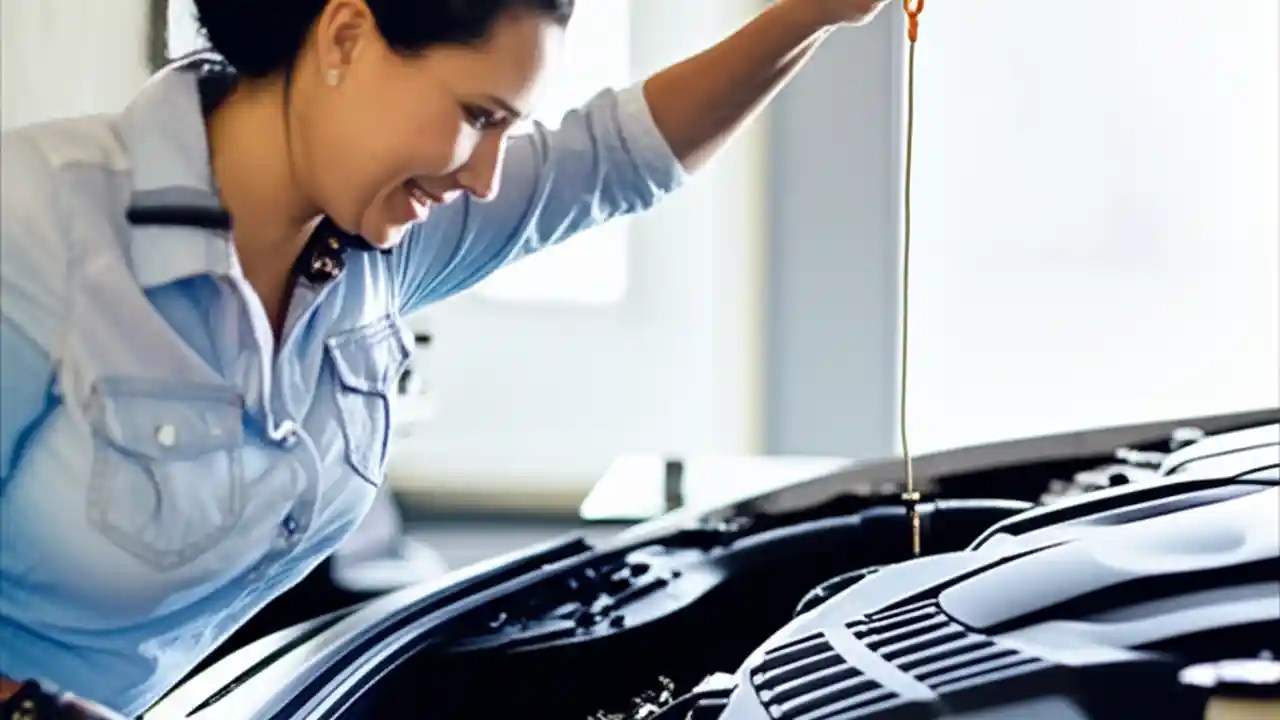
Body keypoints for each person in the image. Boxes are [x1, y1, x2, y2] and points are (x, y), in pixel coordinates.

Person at [0, 0, 890, 713]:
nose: (486, 177)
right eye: (477, 117)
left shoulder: (378, 247)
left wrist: (807, 15)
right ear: (346, 34)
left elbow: (612, 159)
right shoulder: (36, 223)